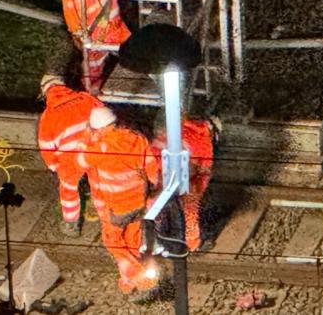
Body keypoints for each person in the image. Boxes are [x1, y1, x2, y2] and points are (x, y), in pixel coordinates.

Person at [78, 106, 160, 300]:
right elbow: (152, 171)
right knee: (132, 241)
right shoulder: (136, 139)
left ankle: (143, 280)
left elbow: (81, 161)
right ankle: (127, 282)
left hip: (117, 206)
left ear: (99, 128)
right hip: (139, 202)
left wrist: (86, 138)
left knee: (112, 242)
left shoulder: (102, 147)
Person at [36, 73, 103, 237]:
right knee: (99, 182)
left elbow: (46, 146)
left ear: (45, 94)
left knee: (68, 191)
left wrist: (55, 166)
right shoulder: (86, 98)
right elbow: (104, 116)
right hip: (93, 149)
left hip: (69, 159)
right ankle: (105, 215)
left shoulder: (48, 116)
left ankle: (71, 224)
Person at [152, 114, 216, 252]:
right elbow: (203, 170)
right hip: (183, 180)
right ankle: (191, 244)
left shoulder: (176, 127)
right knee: (189, 210)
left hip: (158, 175)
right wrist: (199, 190)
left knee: (154, 209)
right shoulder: (203, 140)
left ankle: (154, 240)